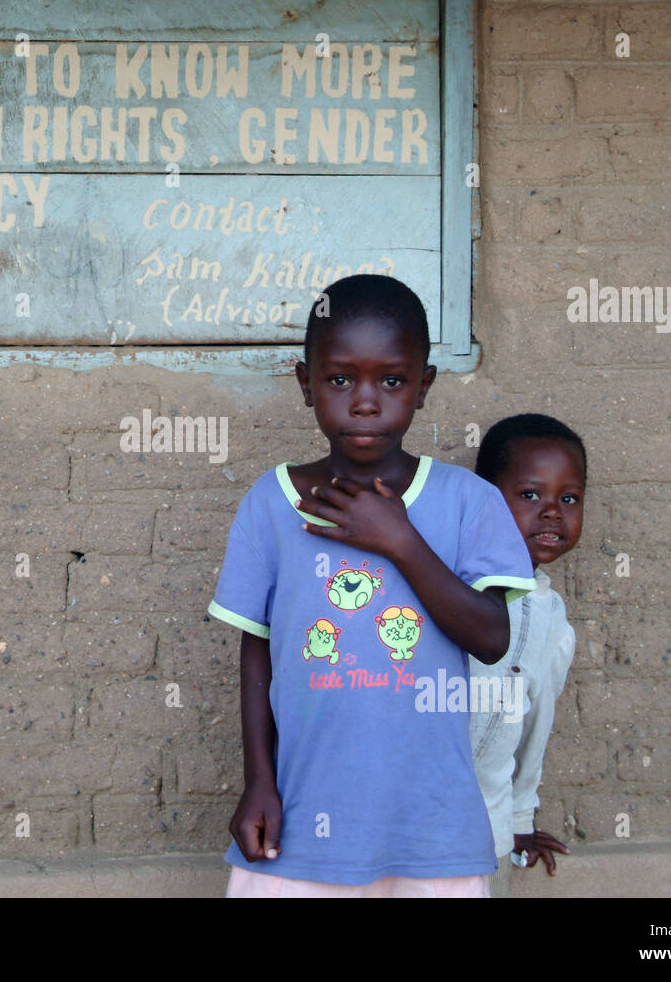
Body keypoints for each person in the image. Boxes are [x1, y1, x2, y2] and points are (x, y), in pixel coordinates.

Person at [206, 274, 536, 897]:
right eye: (338, 379)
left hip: (431, 830)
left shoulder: (469, 502)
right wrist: (258, 781)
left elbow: (492, 638)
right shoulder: (272, 504)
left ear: (424, 387)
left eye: (391, 380)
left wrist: (400, 540)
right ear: (305, 385)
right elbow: (257, 649)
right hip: (300, 822)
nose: (365, 401)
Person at [469, 414, 586, 897]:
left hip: (488, 831)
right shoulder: (448, 590)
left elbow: (536, 719)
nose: (553, 512)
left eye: (570, 498)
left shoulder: (553, 620)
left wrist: (519, 816)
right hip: (408, 819)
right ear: (484, 499)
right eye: (531, 495)